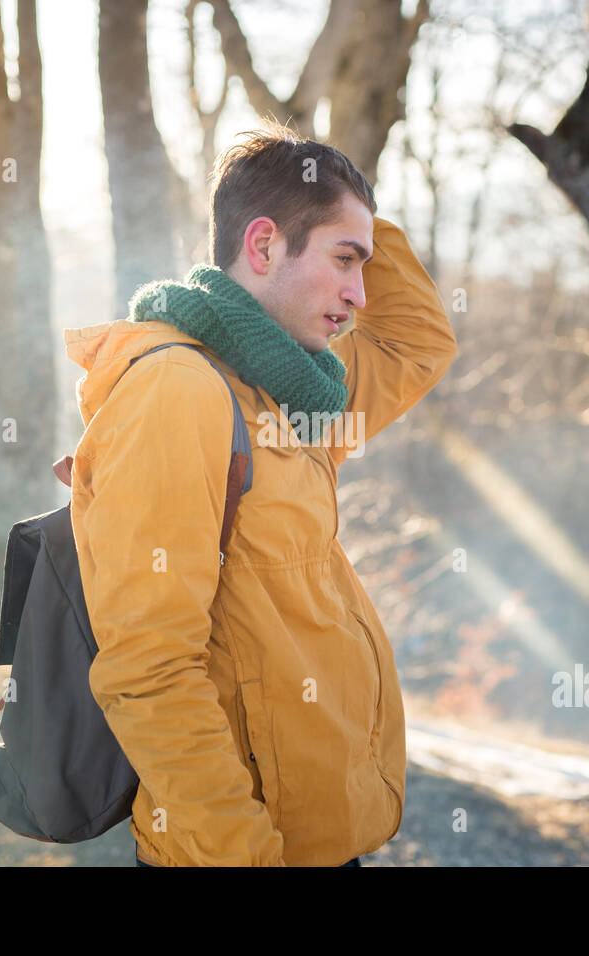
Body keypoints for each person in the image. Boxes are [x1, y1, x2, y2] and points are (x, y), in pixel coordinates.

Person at [63, 118, 457, 866]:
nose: (359, 294)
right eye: (344, 261)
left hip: (319, 841)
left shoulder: (296, 392)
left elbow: (419, 343)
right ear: (264, 244)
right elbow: (148, 671)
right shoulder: (178, 390)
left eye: (364, 266)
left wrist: (353, 207)